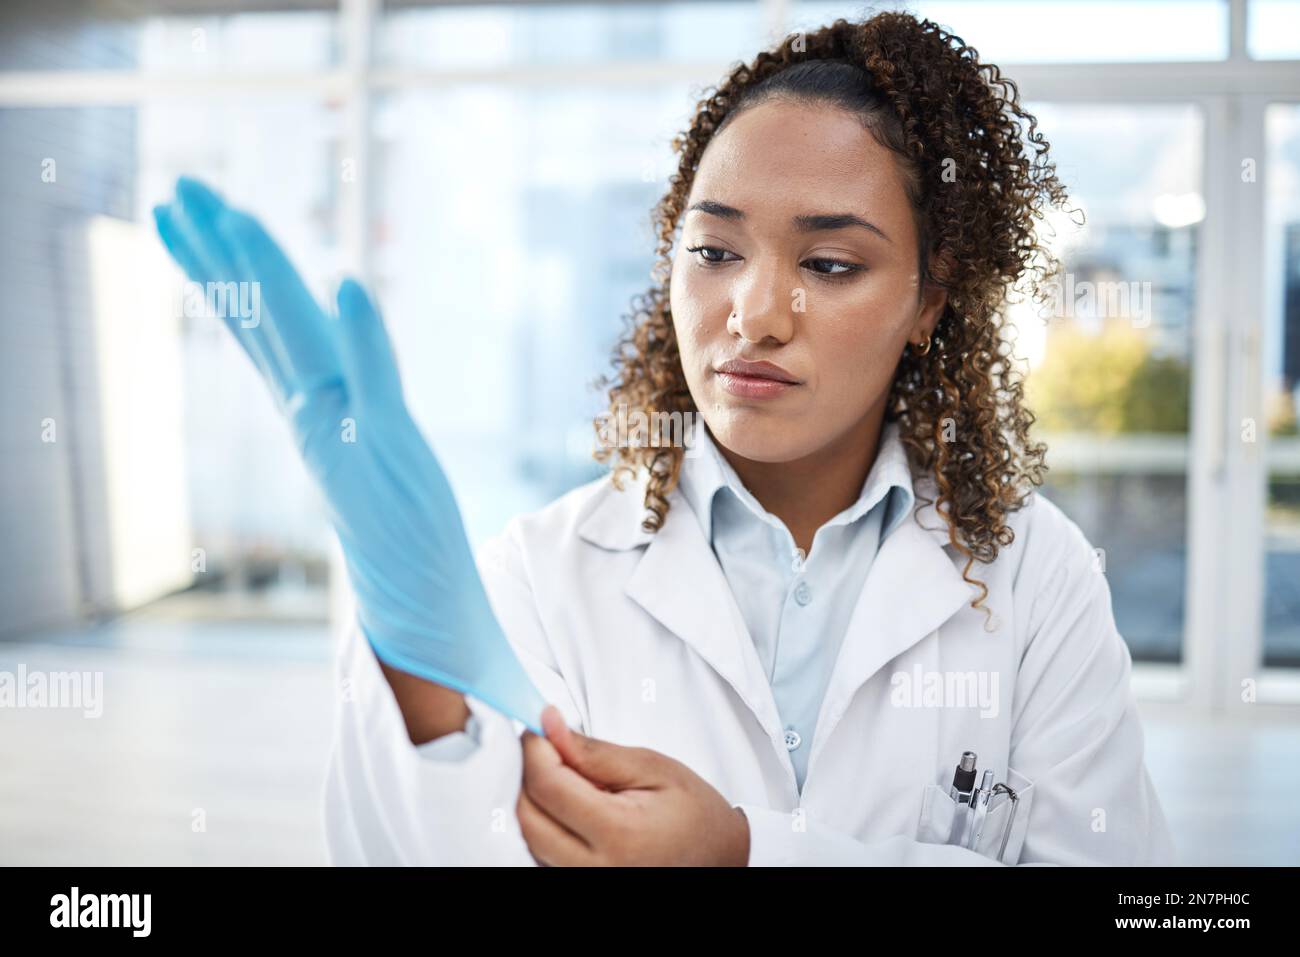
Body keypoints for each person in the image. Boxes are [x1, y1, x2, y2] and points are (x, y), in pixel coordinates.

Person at [154, 12, 1176, 866]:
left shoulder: (1034, 580)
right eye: (715, 250)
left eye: (828, 264)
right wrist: (414, 674)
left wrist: (745, 854)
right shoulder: (542, 577)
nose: (753, 314)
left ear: (929, 302)